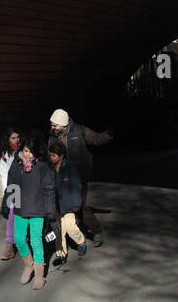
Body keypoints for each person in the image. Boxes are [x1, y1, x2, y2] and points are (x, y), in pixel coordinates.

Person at [48, 108, 112, 245]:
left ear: (63, 124)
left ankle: (96, 230)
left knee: (80, 207)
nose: (52, 127)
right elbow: (50, 153)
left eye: (55, 125)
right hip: (62, 176)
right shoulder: (53, 135)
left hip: (79, 176)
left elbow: (96, 139)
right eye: (52, 125)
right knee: (60, 206)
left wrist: (109, 134)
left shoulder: (79, 131)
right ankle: (64, 235)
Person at [6, 136, 56, 289]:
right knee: (19, 239)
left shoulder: (43, 166)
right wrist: (6, 203)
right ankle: (28, 265)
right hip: (21, 208)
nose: (27, 154)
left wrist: (50, 211)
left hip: (38, 209)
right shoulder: (17, 164)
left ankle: (39, 275)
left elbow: (49, 189)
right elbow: (11, 183)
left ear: (37, 153)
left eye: (30, 152)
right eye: (25, 151)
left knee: (35, 241)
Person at [47, 139, 87, 265]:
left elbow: (76, 186)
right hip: (56, 206)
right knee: (59, 231)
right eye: (50, 155)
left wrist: (76, 203)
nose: (51, 158)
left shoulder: (70, 168)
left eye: (53, 156)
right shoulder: (49, 169)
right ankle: (61, 254)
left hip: (68, 205)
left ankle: (80, 241)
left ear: (61, 156)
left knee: (70, 227)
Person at [0, 127, 23, 261]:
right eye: (13, 138)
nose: (16, 140)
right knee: (12, 216)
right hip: (12, 189)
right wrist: (6, 192)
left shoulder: (24, 150)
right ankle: (9, 246)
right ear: (8, 139)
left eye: (17, 137)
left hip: (25, 188)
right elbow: (3, 174)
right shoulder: (5, 155)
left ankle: (26, 240)